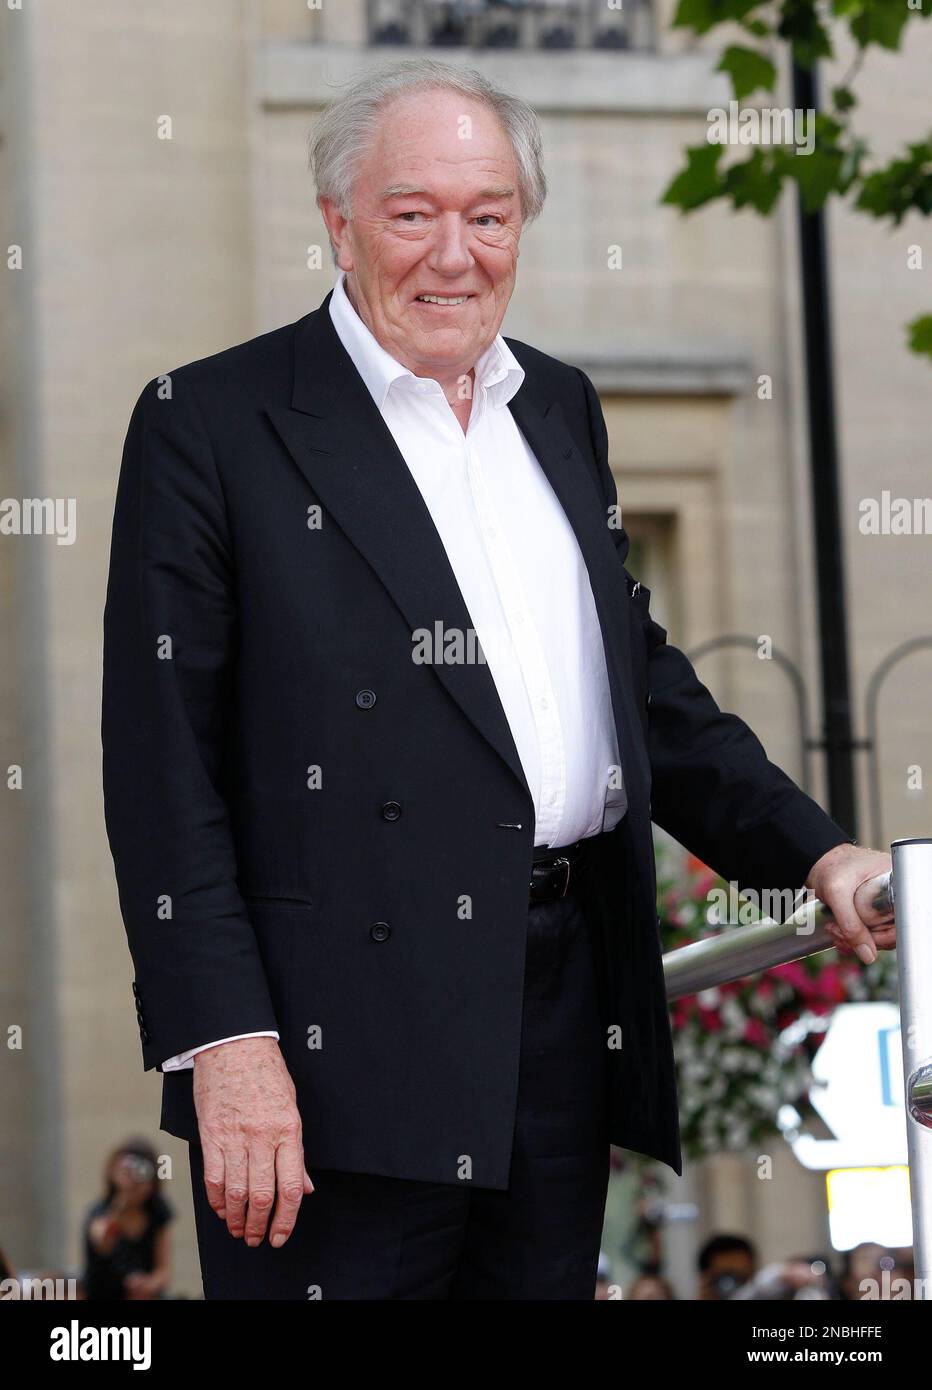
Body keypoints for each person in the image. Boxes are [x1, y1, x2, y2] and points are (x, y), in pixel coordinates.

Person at [101, 58, 897, 1301]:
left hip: (557, 1016)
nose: (453, 253)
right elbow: (161, 771)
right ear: (340, 223)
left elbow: (636, 683)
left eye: (489, 214)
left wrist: (812, 851)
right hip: (329, 1059)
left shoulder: (560, 408)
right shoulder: (210, 424)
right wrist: (230, 1044)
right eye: (413, 213)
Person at [82, 1140, 173, 1301]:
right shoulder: (100, 1212)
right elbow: (103, 1244)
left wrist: (148, 1285)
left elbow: (163, 1271)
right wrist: (123, 1202)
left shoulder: (156, 1212)